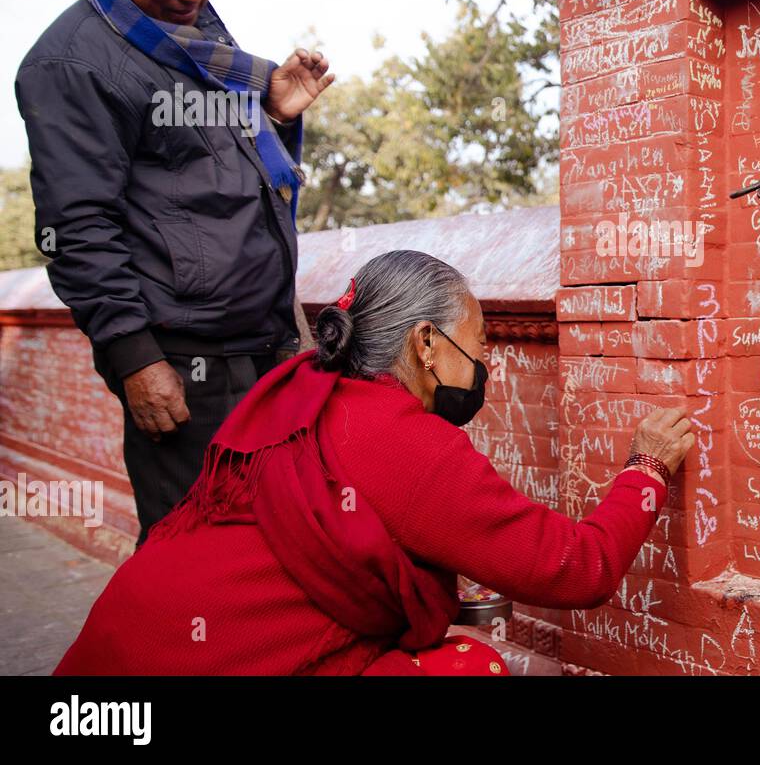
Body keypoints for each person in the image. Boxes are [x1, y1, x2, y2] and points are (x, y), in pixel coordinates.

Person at [52, 250, 695, 675]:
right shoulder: (404, 440)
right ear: (425, 345)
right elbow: (577, 569)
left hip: (108, 655)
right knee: (471, 664)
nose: (485, 366)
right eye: (478, 345)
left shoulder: (305, 393)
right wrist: (646, 469)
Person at [14, 0, 334, 546]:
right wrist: (135, 358)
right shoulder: (69, 64)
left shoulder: (191, 34)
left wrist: (273, 110)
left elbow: (205, 157)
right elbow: (77, 226)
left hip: (265, 345)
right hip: (185, 367)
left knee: (288, 543)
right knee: (204, 560)